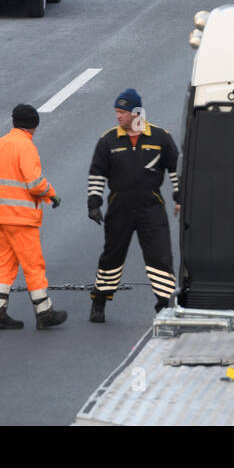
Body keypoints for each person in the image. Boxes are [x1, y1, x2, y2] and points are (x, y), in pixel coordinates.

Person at [86, 89, 182, 323]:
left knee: (160, 256)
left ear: (136, 113)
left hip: (152, 206)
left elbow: (175, 168)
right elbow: (97, 172)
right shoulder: (108, 140)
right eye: (117, 112)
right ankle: (100, 300)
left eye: (122, 112)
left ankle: (164, 304)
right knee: (112, 257)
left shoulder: (160, 137)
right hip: (119, 206)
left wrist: (179, 198)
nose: (118, 116)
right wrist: (94, 202)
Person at [0, 104, 67, 330]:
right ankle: (44, 312)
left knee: (5, 264)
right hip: (21, 219)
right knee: (34, 265)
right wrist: (52, 194)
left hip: (0, 217)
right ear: (34, 126)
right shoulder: (26, 146)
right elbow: (34, 183)